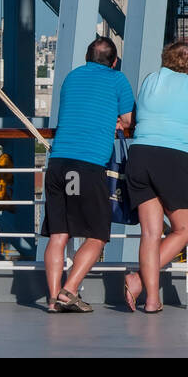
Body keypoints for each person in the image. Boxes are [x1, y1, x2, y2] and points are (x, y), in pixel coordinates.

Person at [122, 41, 188, 313]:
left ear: (165, 57)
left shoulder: (150, 80)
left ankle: (152, 299)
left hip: (140, 154)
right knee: (186, 229)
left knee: (151, 233)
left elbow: (141, 115)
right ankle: (138, 280)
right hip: (171, 158)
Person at [43, 36, 134, 313]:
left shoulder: (71, 78)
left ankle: (53, 298)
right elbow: (129, 121)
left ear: (86, 57)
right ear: (114, 62)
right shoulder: (118, 80)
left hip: (58, 163)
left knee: (59, 235)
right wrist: (115, 120)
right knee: (97, 235)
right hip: (88, 164)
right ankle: (69, 291)